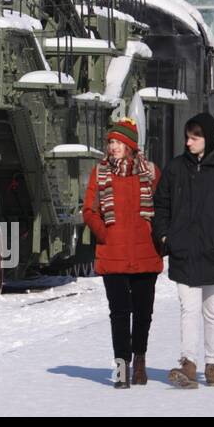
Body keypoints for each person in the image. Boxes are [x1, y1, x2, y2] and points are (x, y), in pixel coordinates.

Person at [152, 112, 214, 388]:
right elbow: (160, 206)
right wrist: (165, 238)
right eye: (187, 137)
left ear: (207, 138)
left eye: (194, 137)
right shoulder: (175, 168)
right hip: (183, 252)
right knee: (188, 309)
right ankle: (188, 363)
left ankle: (212, 365)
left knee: (212, 312)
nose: (188, 142)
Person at [82, 117, 162, 389]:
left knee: (143, 312)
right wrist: (105, 234)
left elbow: (163, 208)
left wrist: (159, 236)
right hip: (113, 254)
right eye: (111, 142)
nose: (113, 147)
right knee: (119, 312)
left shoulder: (150, 173)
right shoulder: (100, 173)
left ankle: (139, 361)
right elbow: (90, 211)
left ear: (130, 145)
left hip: (145, 253)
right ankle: (121, 367)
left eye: (118, 142)